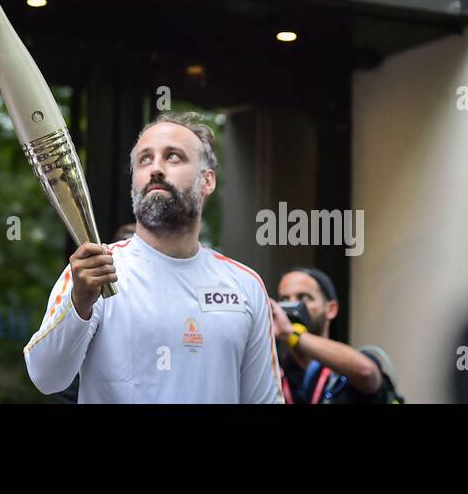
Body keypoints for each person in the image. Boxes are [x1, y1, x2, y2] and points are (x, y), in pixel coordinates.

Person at [24, 112, 282, 403]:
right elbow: (46, 378)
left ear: (207, 181)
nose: (156, 169)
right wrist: (79, 302)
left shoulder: (245, 285)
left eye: (173, 157)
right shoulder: (94, 271)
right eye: (145, 159)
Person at [273, 267, 402, 404]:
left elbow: (366, 372)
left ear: (331, 309)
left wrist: (293, 334)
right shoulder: (276, 371)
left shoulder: (348, 364)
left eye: (304, 298)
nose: (292, 305)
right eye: (284, 299)